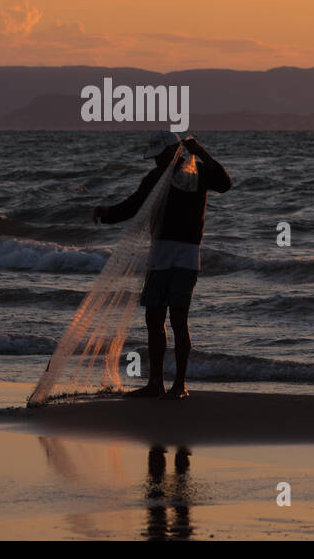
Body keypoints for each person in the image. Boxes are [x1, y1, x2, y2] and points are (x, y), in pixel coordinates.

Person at [92, 130, 232, 399]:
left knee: (179, 320)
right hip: (160, 255)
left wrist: (200, 151)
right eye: (155, 157)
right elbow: (134, 206)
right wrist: (107, 213)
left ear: (174, 152)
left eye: (161, 156)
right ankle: (155, 383)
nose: (157, 161)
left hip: (187, 255)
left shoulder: (198, 173)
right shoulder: (155, 178)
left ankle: (180, 385)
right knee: (153, 319)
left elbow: (225, 184)